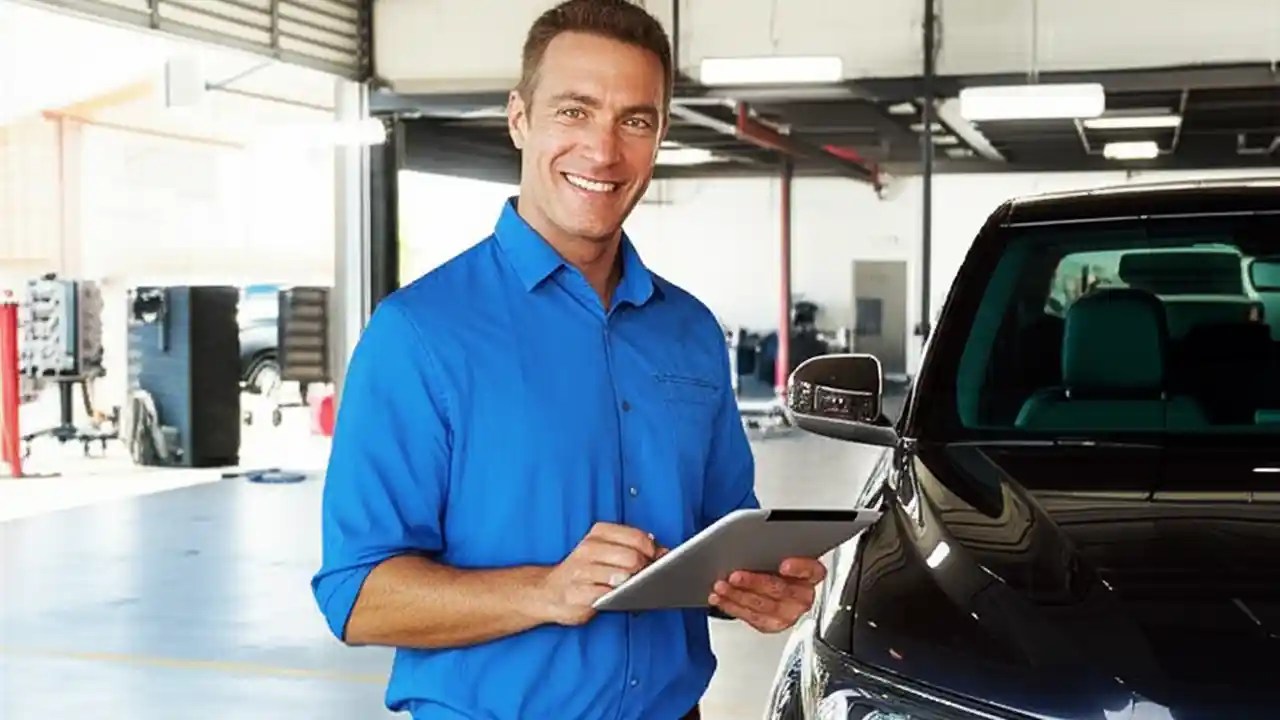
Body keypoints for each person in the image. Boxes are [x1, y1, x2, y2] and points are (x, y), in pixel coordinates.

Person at [311, 1, 827, 718]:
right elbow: (355, 595)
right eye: (574, 111)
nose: (604, 151)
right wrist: (543, 591)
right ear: (519, 118)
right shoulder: (420, 333)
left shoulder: (690, 331)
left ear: (659, 136)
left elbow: (714, 536)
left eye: (635, 121)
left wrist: (753, 586)